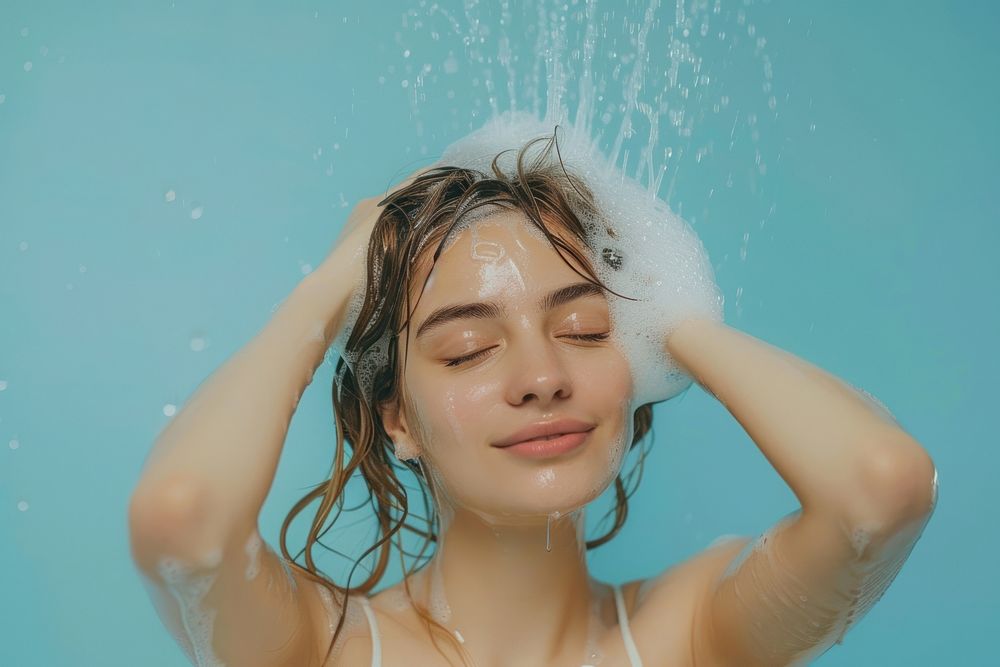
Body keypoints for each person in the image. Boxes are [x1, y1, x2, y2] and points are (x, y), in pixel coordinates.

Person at [128, 131, 939, 667]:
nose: (541, 375)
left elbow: (881, 485)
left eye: (584, 329)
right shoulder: (325, 645)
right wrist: (331, 286)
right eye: (468, 348)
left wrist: (677, 320)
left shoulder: (688, 632)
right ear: (398, 418)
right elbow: (182, 519)